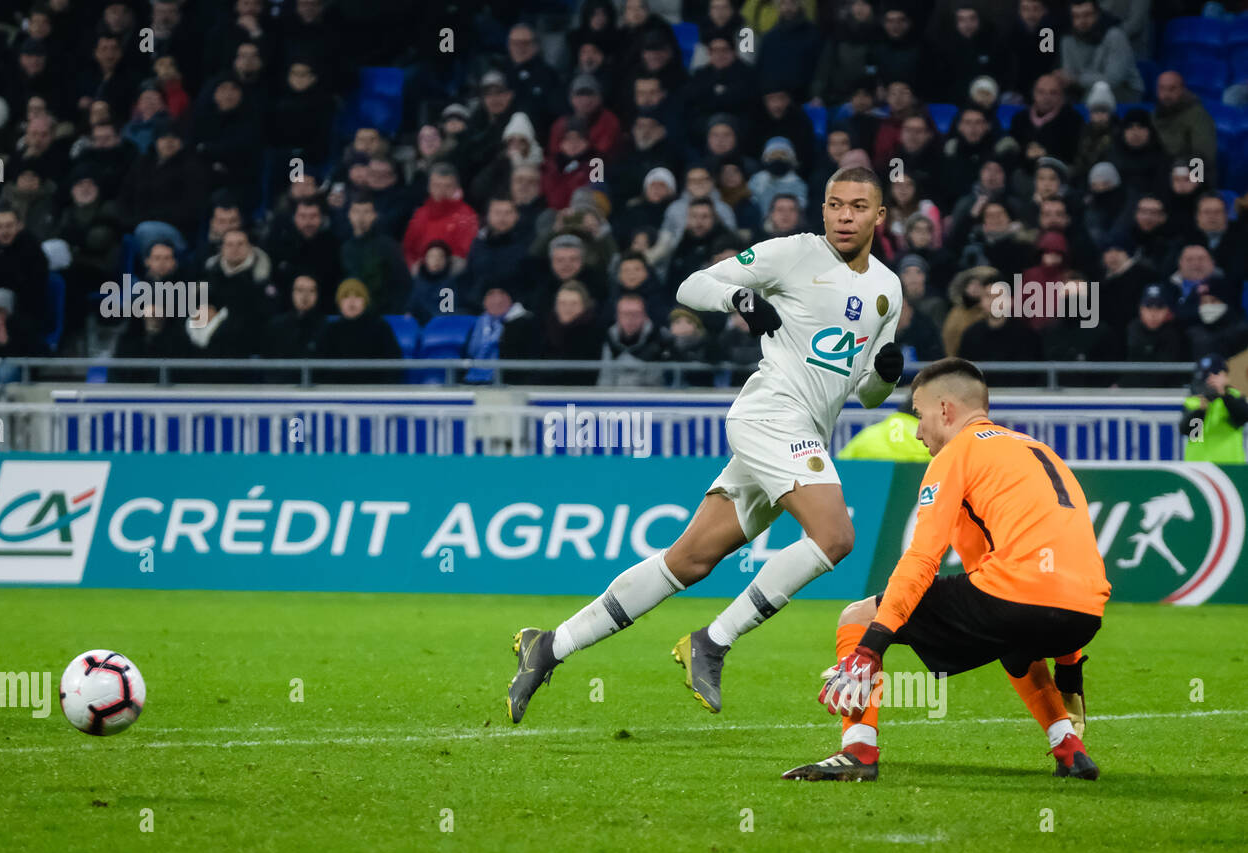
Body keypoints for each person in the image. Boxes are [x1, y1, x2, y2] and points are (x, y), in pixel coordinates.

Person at [506, 166, 904, 722]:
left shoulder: (888, 287)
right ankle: (712, 642)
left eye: (858, 207)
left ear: (879, 216)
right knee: (835, 536)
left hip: (804, 431)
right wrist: (741, 299)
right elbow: (690, 285)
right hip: (770, 414)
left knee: (688, 561)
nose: (844, 215)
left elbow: (866, 396)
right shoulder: (794, 253)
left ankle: (548, 646)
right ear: (823, 209)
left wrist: (886, 374)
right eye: (835, 204)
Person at [784, 358, 1109, 782]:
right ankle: (1069, 748)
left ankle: (858, 751)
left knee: (856, 617)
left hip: (1019, 596)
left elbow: (921, 560)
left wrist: (871, 646)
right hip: (1086, 613)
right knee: (1015, 639)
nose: (918, 431)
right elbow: (1058, 568)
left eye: (919, 416)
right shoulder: (1039, 451)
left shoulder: (958, 453)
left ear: (945, 411)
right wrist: (1069, 664)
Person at [1182, 354, 1247, 464]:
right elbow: (1192, 433)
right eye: (1206, 377)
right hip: (1199, 467)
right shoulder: (1194, 402)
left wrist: (1224, 395)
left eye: (1215, 375)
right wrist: (1202, 409)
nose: (1210, 381)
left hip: (1231, 467)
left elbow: (1242, 417)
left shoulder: (1234, 397)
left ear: (1226, 377)